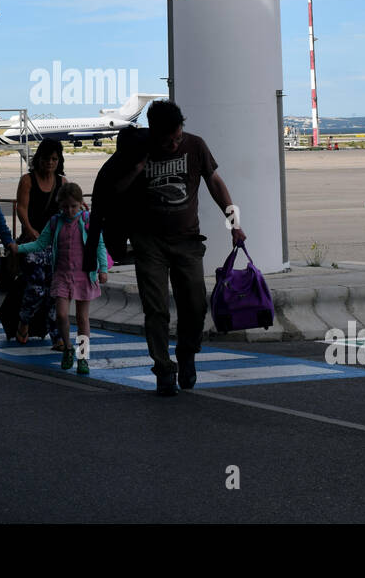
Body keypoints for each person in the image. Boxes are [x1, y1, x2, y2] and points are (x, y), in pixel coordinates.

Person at [131, 100, 246, 396]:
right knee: (155, 308)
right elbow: (114, 189)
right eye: (167, 139)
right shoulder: (138, 148)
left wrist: (234, 223)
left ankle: (187, 353)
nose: (174, 143)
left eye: (178, 137)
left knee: (195, 304)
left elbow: (215, 182)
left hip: (187, 240)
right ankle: (163, 368)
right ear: (153, 132)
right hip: (149, 242)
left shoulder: (196, 146)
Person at [14, 182, 107, 375]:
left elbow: (99, 244)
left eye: (73, 206)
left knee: (82, 318)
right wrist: (19, 248)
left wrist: (102, 269)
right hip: (62, 275)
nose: (70, 210)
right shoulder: (56, 222)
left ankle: (83, 357)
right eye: (65, 206)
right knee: (62, 315)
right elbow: (41, 243)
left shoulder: (88, 220)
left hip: (84, 274)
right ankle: (68, 347)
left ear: (81, 203)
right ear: (60, 205)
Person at [13, 138, 66, 347]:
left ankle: (56, 334)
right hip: (33, 243)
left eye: (54, 159)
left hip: (54, 245)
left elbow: (70, 207)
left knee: (55, 291)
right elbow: (21, 208)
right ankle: (24, 321)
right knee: (36, 288)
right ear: (39, 159)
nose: (50, 163)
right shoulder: (28, 180)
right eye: (46, 158)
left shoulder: (62, 182)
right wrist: (29, 229)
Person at [83, 125, 148, 272]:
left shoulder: (112, 166)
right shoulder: (118, 168)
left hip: (116, 220)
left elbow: (97, 214)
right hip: (118, 219)